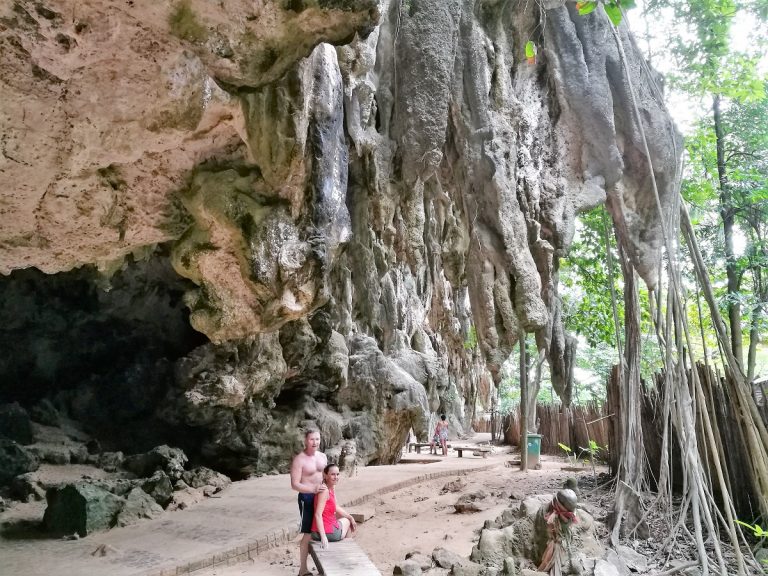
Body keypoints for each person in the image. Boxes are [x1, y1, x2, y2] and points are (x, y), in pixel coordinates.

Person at [290, 429, 328, 576]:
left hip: (322, 496)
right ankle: (303, 570)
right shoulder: (299, 459)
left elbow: (326, 477)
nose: (315, 442)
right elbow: (294, 484)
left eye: (317, 439)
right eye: (312, 439)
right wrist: (312, 488)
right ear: (306, 441)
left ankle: (324, 566)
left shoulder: (323, 457)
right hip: (307, 497)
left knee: (323, 530)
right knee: (308, 533)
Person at [311, 463, 357, 549]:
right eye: (332, 474)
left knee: (346, 518)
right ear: (325, 475)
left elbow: (335, 506)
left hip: (317, 531)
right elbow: (318, 514)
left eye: (337, 474)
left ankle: (345, 550)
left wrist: (350, 517)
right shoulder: (324, 491)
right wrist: (323, 536)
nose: (336, 477)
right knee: (346, 521)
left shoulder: (329, 488)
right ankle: (349, 551)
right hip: (325, 532)